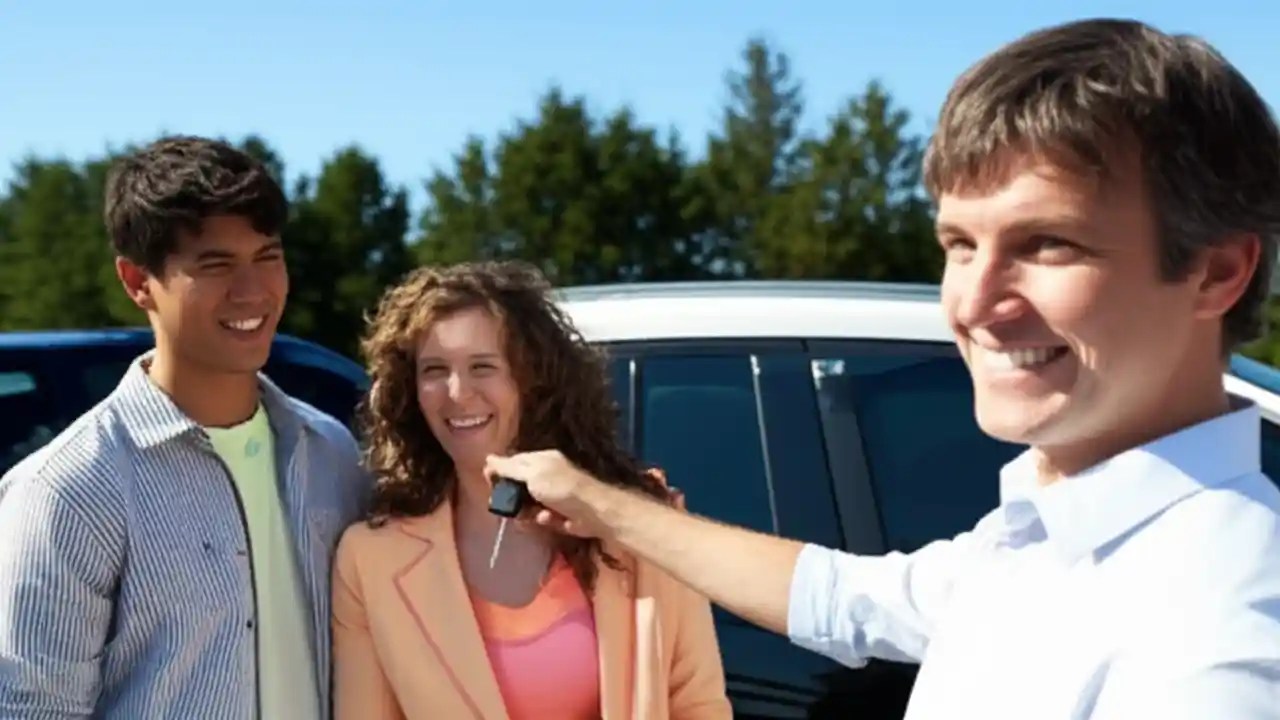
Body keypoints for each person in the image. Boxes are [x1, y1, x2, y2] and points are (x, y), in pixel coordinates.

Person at [483, 18, 1280, 720]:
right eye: (960, 245)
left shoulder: (1223, 633)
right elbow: (842, 598)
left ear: (1215, 273)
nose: (974, 302)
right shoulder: (1044, 537)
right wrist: (598, 503)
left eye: (1048, 244)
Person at [0, 136, 369, 719]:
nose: (252, 291)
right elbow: (31, 708)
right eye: (215, 264)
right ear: (137, 281)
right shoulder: (69, 491)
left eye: (267, 256)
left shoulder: (331, 454)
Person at [330, 261, 732, 719]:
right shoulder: (370, 559)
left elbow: (698, 706)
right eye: (435, 370)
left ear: (532, 380)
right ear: (410, 388)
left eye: (483, 367)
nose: (458, 392)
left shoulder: (644, 522)